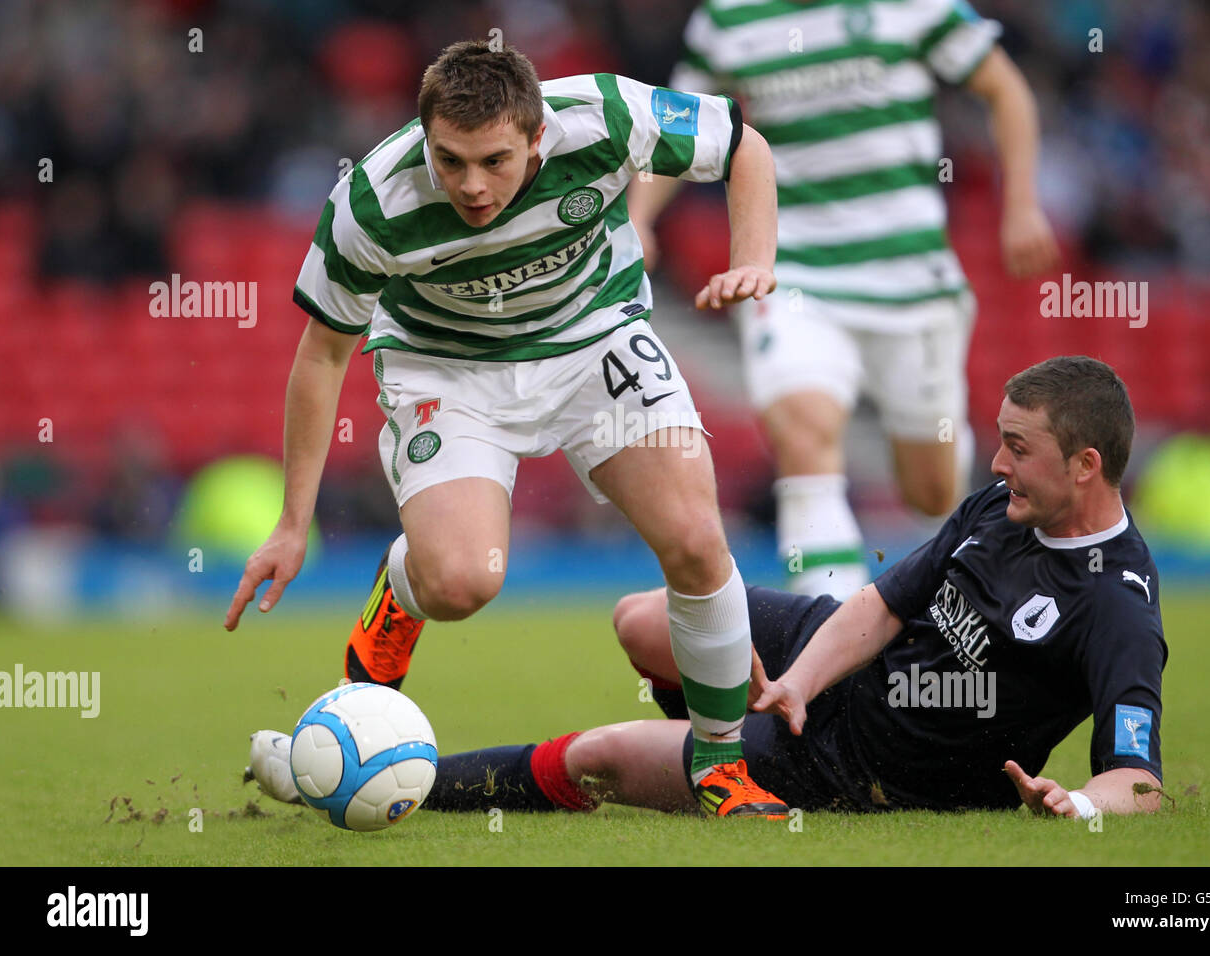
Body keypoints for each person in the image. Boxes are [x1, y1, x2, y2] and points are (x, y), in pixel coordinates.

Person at [226, 40, 791, 817]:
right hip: (446, 367)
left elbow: (744, 146)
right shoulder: (371, 204)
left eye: (493, 160)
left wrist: (753, 258)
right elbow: (322, 356)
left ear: (537, 137)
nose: (471, 186)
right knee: (461, 582)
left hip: (595, 338)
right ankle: (405, 586)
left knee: (696, 541)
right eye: (449, 161)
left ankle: (721, 765)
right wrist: (293, 525)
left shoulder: (606, 114)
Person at [247, 355, 1166, 819]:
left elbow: (1139, 779)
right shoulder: (1002, 507)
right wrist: (801, 679)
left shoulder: (1115, 605)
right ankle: (722, 722)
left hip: (866, 764)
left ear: (1086, 465)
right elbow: (885, 603)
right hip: (836, 679)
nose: (997, 461)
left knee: (600, 755)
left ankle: (376, 780)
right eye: (999, 440)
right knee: (641, 619)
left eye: (1019, 448)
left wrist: (1081, 802)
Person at [629, 0, 1061, 600]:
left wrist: (1021, 204)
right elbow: (681, 129)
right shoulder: (729, 19)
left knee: (931, 491)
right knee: (803, 434)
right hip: (795, 271)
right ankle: (831, 643)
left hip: (911, 277)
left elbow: (1005, 89)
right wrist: (638, 219)